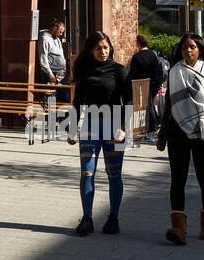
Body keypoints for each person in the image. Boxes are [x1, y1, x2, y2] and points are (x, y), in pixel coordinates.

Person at [157, 33, 204, 245]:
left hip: (203, 132)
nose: (188, 50)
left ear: (200, 50)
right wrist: (163, 133)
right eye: (185, 47)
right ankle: (178, 227)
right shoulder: (175, 72)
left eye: (193, 47)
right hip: (178, 132)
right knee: (177, 179)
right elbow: (170, 104)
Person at [66, 31, 129, 236]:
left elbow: (128, 101)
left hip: (114, 128)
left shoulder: (119, 71)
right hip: (90, 128)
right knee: (87, 172)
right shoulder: (85, 72)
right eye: (98, 48)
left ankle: (113, 217)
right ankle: (87, 218)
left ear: (110, 48)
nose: (103, 51)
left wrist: (123, 127)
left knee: (114, 174)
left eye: (106, 47)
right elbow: (77, 103)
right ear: (91, 50)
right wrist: (72, 129)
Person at [128, 35, 166, 135]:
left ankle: (153, 126)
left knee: (148, 104)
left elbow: (133, 73)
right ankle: (155, 122)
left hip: (142, 83)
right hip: (154, 82)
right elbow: (157, 69)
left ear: (138, 43)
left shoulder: (136, 57)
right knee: (150, 103)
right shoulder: (153, 54)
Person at [37, 18, 68, 101]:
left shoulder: (56, 38)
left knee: (64, 97)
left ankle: (62, 114)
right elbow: (43, 58)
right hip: (51, 73)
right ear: (54, 28)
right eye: (60, 32)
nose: (61, 34)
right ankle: (50, 114)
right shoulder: (44, 39)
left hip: (61, 73)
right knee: (51, 98)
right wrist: (50, 74)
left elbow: (60, 54)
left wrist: (64, 68)